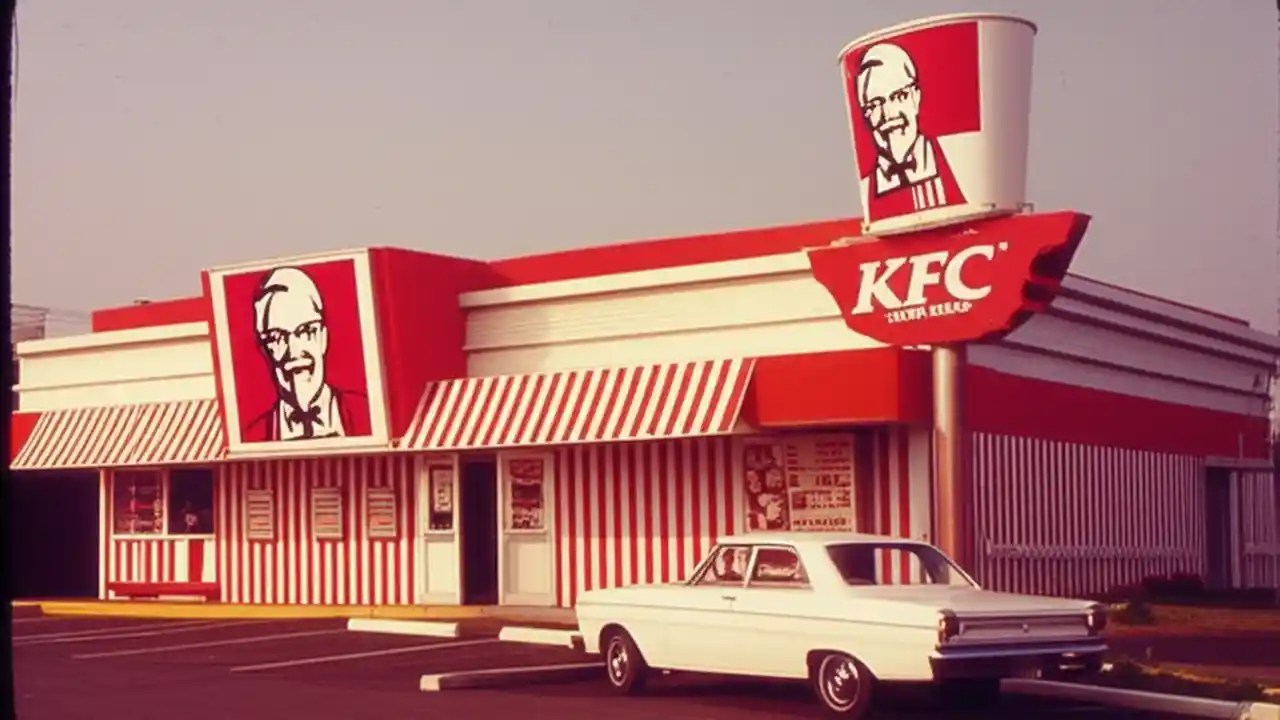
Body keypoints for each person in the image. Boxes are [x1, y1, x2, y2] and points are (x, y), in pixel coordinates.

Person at [242, 267, 370, 442]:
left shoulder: (366, 414)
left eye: (306, 331)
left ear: (323, 337)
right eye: (276, 337)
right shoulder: (253, 438)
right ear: (264, 350)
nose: (294, 351)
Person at [854, 41, 966, 220]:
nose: (889, 114)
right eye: (874, 105)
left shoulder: (959, 165)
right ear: (865, 115)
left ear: (916, 97)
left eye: (899, 96)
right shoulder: (867, 188)